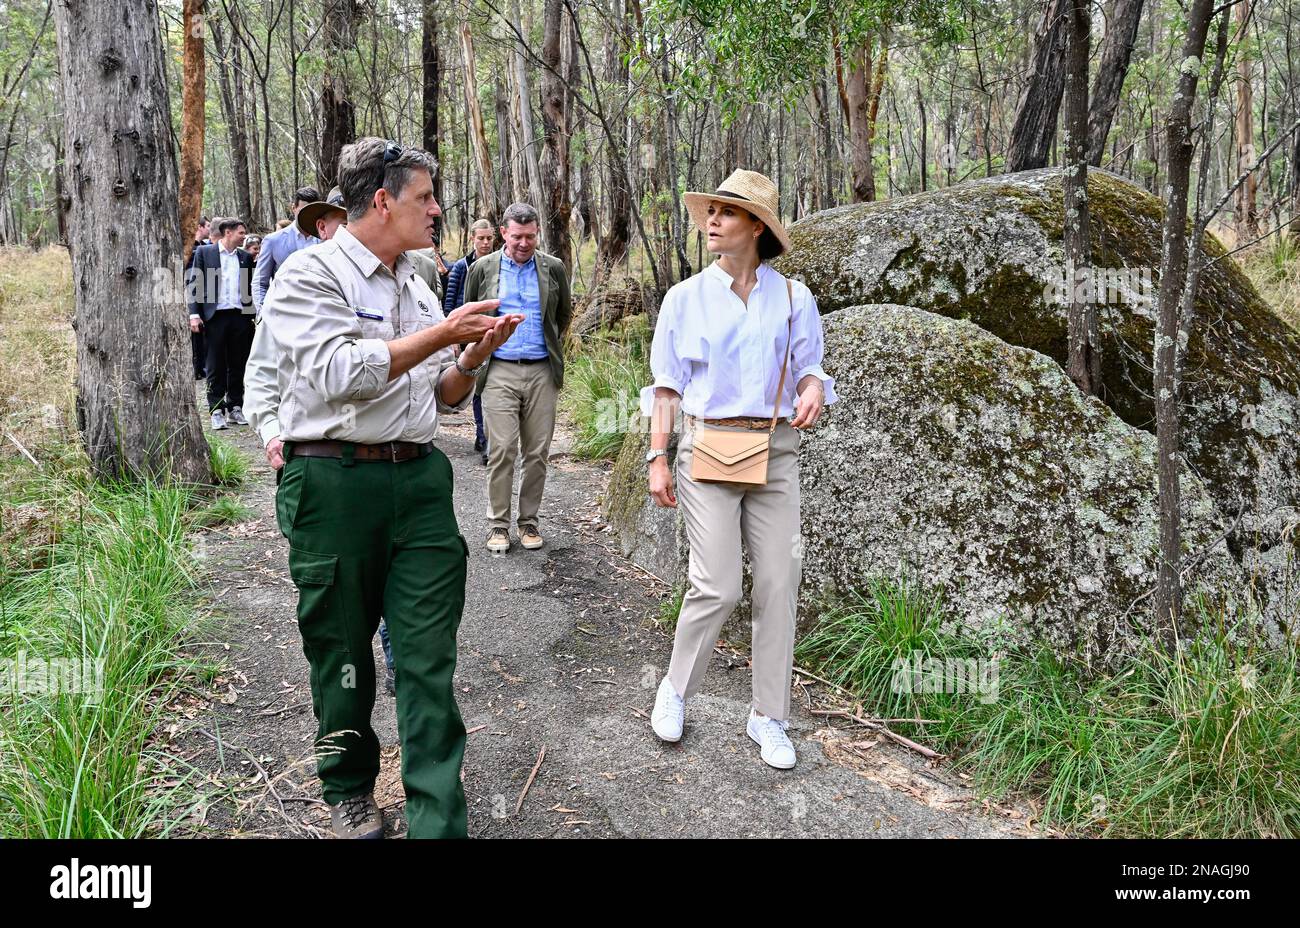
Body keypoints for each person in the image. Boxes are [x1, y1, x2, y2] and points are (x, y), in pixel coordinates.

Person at [249, 137, 522, 839]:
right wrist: (441, 339)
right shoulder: (309, 276)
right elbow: (342, 373)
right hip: (334, 484)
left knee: (428, 661)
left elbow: (447, 393)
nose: (436, 210)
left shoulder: (420, 282)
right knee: (341, 658)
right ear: (382, 200)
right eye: (425, 197)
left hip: (420, 482)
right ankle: (348, 785)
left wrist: (473, 354)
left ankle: (437, 821)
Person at [642, 169, 836, 770]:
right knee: (718, 583)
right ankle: (675, 689)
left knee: (779, 581)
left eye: (727, 213)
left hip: (776, 451)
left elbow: (811, 367)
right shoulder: (684, 298)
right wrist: (658, 455)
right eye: (711, 212)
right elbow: (667, 386)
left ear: (757, 226)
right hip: (707, 449)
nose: (713, 221)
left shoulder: (793, 298)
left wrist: (811, 389)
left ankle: (768, 715)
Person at [463, 203, 572, 554]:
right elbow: (470, 313)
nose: (524, 243)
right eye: (517, 236)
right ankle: (498, 525)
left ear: (537, 233)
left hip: (541, 370)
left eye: (530, 236)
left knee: (537, 452)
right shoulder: (483, 268)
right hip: (500, 369)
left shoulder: (553, 268)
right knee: (503, 450)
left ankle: (528, 523)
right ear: (504, 233)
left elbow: (562, 316)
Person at [187, 217, 256, 430]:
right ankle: (216, 408)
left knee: (238, 363)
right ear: (228, 232)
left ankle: (236, 405)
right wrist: (194, 314)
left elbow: (250, 287)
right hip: (215, 317)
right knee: (215, 364)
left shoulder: (244, 257)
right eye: (241, 233)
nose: (244, 237)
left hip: (240, 317)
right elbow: (194, 284)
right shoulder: (205, 253)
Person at [445, 219, 496, 461]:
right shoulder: (460, 267)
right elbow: (450, 304)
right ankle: (482, 434)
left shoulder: (499, 265)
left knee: (491, 385)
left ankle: (488, 438)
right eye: (481, 238)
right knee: (477, 386)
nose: (485, 243)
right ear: (473, 239)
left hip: (493, 334)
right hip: (467, 335)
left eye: (489, 238)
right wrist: (452, 338)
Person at [252, 186, 321, 312]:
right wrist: (262, 313)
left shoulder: (326, 238)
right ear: (293, 208)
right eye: (304, 210)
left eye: (313, 210)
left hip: (319, 310)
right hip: (284, 310)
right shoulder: (273, 240)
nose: (308, 215)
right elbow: (260, 282)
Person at [186, 216, 212, 380]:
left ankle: (202, 367)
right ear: (199, 227)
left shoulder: (204, 247)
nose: (210, 228)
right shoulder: (189, 247)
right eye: (207, 225)